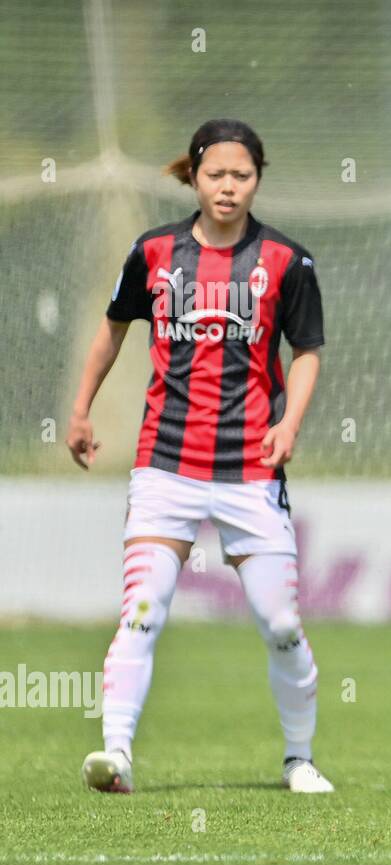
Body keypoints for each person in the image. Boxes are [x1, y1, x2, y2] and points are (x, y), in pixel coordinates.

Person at [67, 119, 333, 795]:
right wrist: (81, 409)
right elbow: (113, 327)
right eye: (216, 173)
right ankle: (117, 755)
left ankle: (299, 758)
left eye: (241, 175)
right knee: (144, 610)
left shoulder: (287, 262)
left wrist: (290, 424)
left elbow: (306, 353)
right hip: (166, 466)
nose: (228, 186)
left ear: (258, 179)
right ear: (195, 173)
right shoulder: (153, 252)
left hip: (251, 470)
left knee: (279, 623)